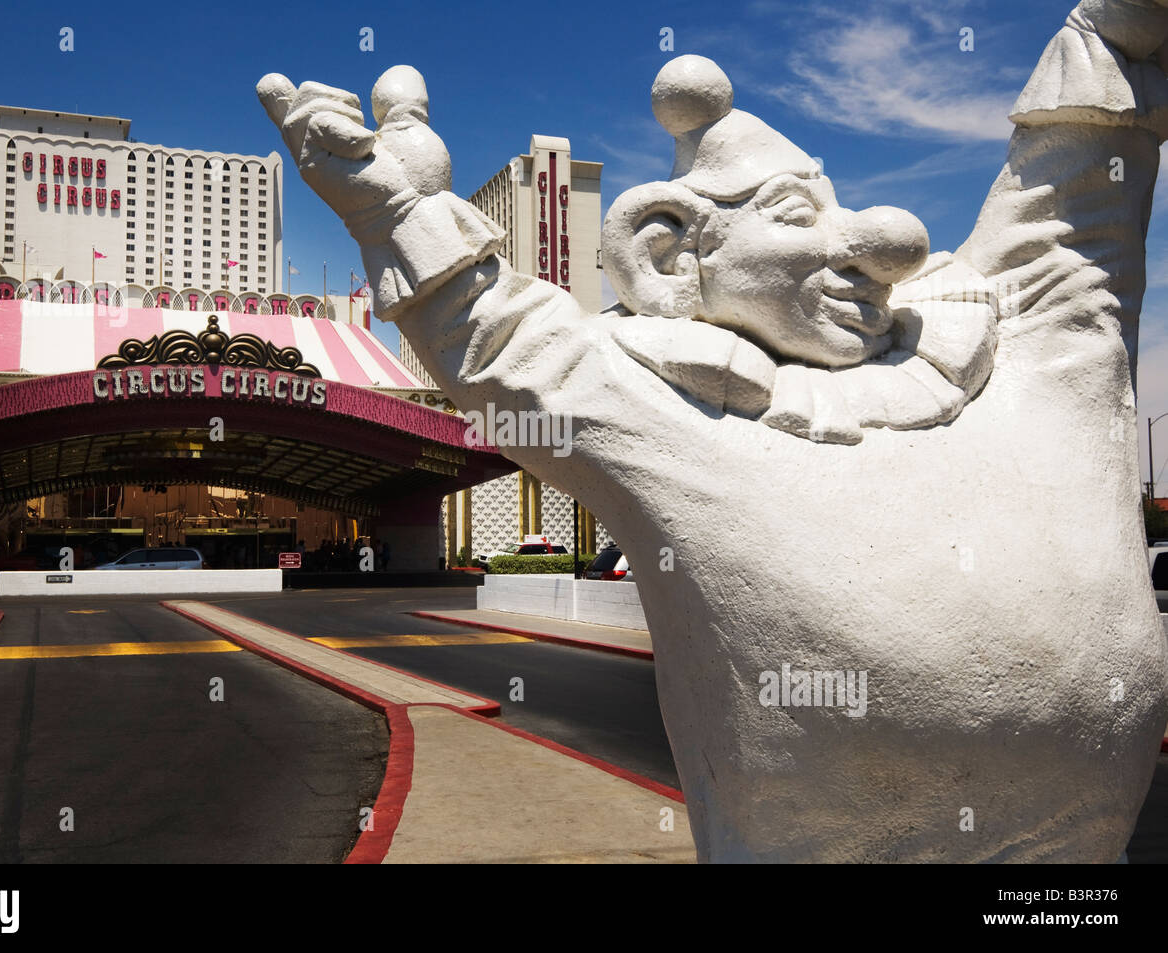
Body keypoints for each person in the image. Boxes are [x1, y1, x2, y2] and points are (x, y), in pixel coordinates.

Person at [259, 1, 1168, 862]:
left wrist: (1113, 39)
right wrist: (401, 214)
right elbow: (504, 344)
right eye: (793, 215)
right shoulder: (667, 403)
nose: (884, 243)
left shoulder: (1007, 331)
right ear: (668, 253)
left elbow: (1072, 197)